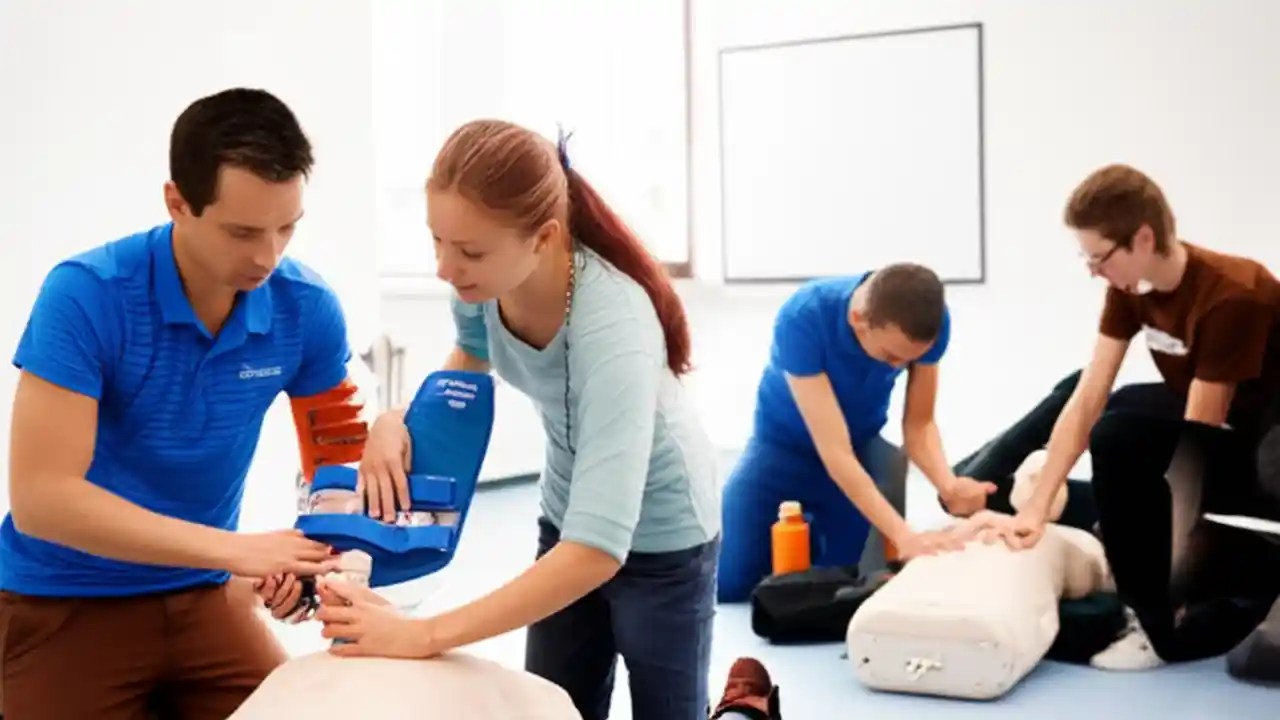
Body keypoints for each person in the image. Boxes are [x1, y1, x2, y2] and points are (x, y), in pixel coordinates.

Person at [322, 119, 721, 720]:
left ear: (544, 238)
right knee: (556, 704)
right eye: (437, 242)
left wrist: (421, 635)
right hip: (570, 513)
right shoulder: (479, 284)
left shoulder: (615, 330)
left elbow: (597, 550)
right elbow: (468, 362)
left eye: (469, 251)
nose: (445, 269)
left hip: (664, 535)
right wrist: (395, 421)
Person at [0, 87, 366, 719]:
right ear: (177, 202)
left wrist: (314, 558)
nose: (268, 256)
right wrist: (237, 553)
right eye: (243, 231)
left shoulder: (306, 307)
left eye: (287, 228)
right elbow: (41, 500)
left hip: (205, 597)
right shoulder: (85, 295)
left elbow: (335, 457)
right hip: (61, 599)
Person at [973, 163, 1280, 670]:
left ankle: (1162, 631)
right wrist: (1036, 506)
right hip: (1234, 432)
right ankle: (1169, 560)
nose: (1093, 271)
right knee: (1120, 410)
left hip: (1268, 447)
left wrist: (1152, 568)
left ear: (1142, 238)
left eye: (1099, 258)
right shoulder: (1131, 290)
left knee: (1124, 439)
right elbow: (1090, 394)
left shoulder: (1232, 295)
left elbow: (1195, 444)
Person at [716, 263, 991, 603]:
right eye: (891, 356)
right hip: (781, 447)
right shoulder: (804, 317)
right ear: (858, 320)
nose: (895, 368)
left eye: (906, 362)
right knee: (729, 585)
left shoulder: (930, 326)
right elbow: (835, 452)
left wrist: (948, 485)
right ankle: (805, 539)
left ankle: (818, 541)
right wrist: (904, 535)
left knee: (848, 587)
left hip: (861, 445)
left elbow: (919, 424)